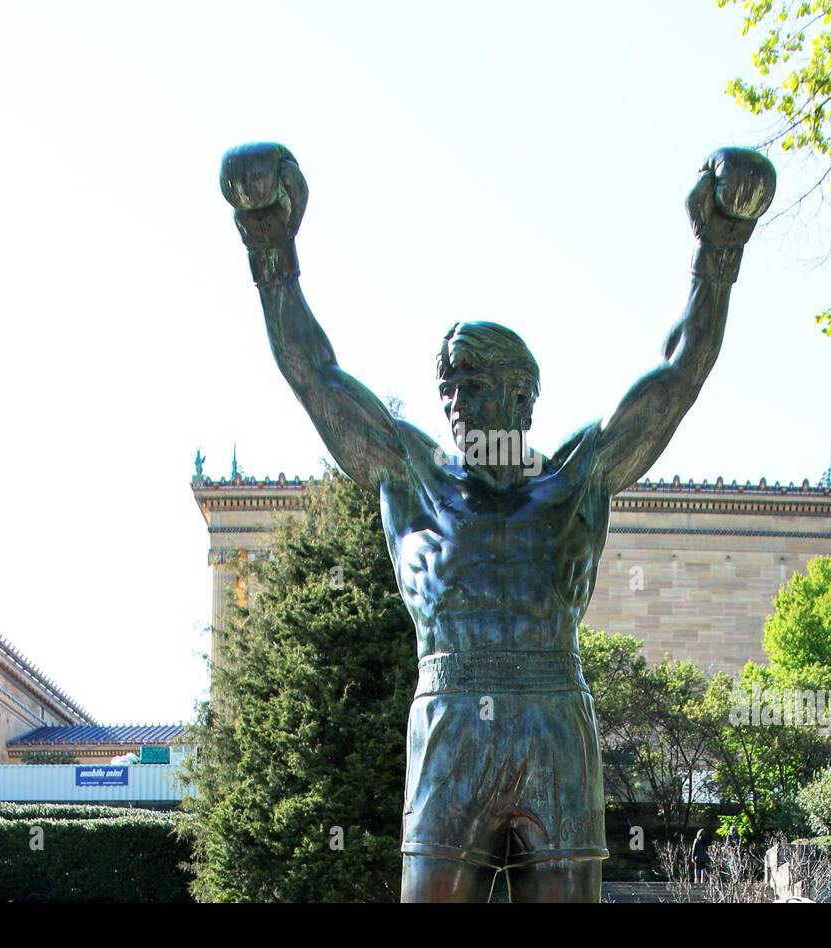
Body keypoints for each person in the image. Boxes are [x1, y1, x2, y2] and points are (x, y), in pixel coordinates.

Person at [219, 141, 775, 902]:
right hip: (450, 725)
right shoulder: (412, 476)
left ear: (522, 399)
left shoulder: (578, 478)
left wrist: (719, 251)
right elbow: (313, 373)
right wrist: (272, 250)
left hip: (554, 723)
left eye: (475, 387)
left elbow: (680, 375)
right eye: (451, 389)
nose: (457, 405)